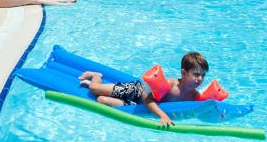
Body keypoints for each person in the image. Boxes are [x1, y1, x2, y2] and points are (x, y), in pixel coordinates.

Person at [78, 52, 208, 126]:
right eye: (196, 74)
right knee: (94, 89)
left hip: (137, 105)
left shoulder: (194, 95)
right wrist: (162, 115)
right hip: (137, 91)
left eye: (203, 75)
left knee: (101, 100)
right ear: (184, 73)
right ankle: (96, 75)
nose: (200, 79)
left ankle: (119, 100)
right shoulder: (170, 85)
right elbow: (148, 100)